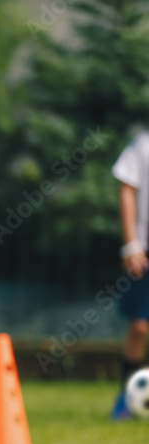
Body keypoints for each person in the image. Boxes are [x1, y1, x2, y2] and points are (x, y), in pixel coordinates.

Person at [111, 130, 149, 420]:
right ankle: (127, 397)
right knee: (139, 326)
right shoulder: (142, 144)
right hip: (144, 249)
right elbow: (126, 188)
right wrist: (131, 243)